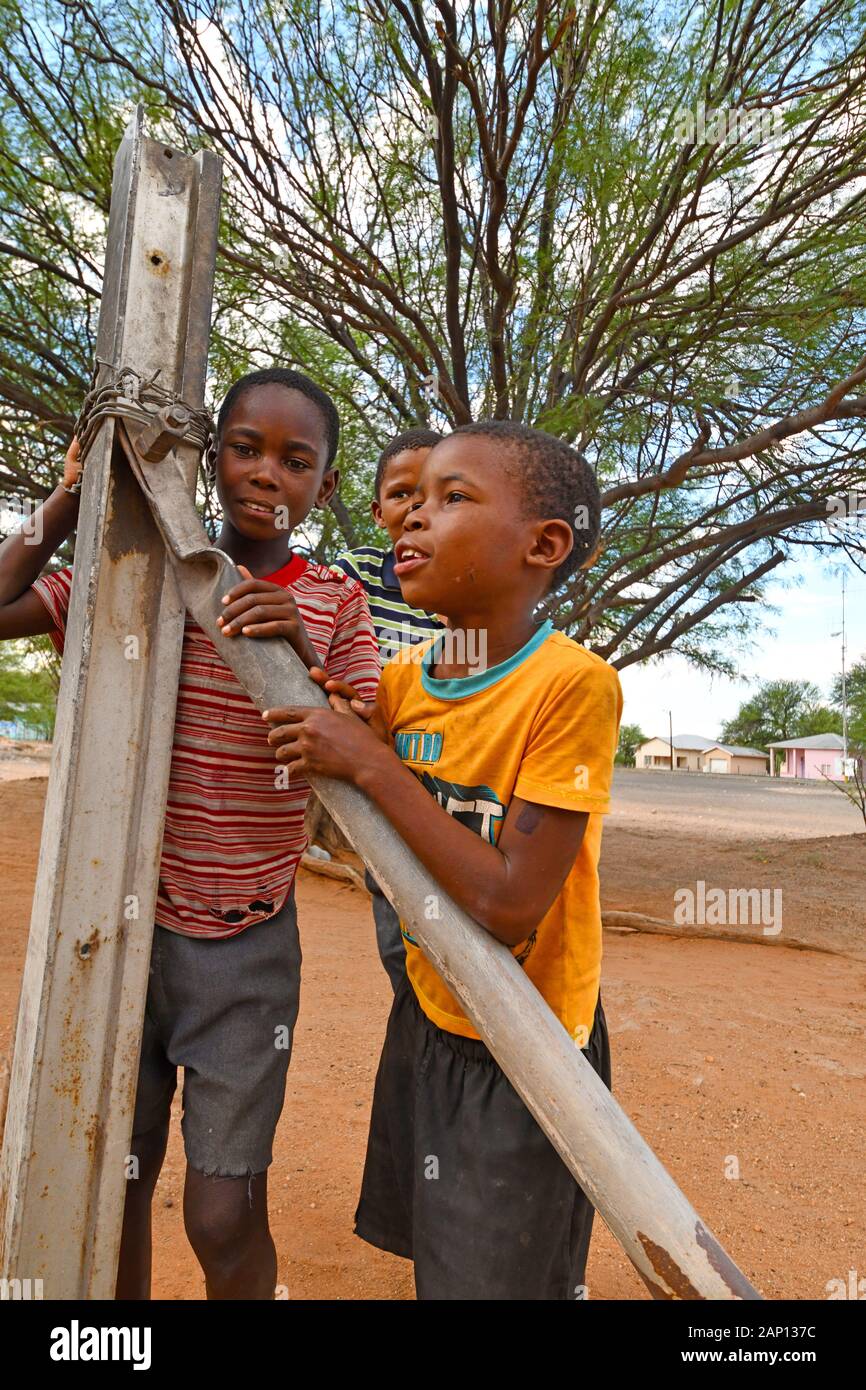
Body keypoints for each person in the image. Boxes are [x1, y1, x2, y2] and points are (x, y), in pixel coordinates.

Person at [0, 367, 379, 1299]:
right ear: (211, 458)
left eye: (295, 462)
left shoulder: (333, 602)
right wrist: (65, 501)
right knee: (114, 1182)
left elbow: (367, 740)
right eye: (245, 449)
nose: (265, 474)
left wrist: (294, 642)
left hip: (247, 946)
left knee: (221, 1208)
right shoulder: (134, 562)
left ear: (323, 487)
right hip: (118, 932)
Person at [262, 420, 623, 1300]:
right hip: (432, 1016)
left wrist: (375, 763)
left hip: (525, 1038)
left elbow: (508, 907)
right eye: (410, 502)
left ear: (544, 544)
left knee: (495, 1275)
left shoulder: (572, 685)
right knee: (446, 1257)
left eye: (451, 499)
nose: (410, 522)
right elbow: (371, 813)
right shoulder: (405, 681)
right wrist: (305, 663)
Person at [332, 428, 444, 991]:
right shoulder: (354, 577)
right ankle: (415, 1020)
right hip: (381, 787)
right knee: (399, 932)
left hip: (448, 784)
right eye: (404, 494)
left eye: (442, 494)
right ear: (378, 512)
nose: (420, 508)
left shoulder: (460, 593)